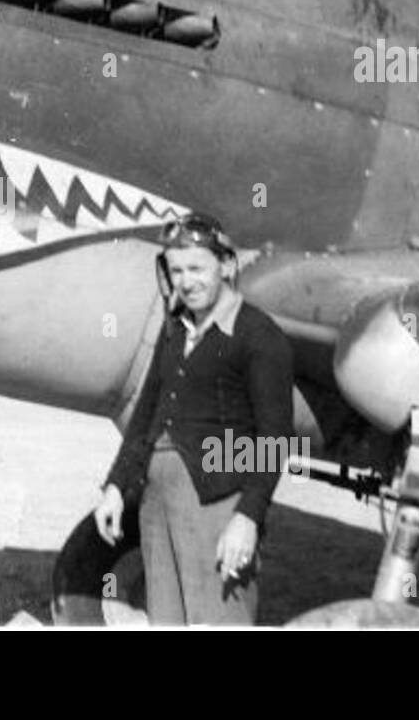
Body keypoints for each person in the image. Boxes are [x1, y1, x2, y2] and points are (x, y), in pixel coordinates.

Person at [93, 213, 294, 625]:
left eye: (197, 268)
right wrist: (116, 485)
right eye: (177, 270)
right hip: (156, 504)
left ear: (227, 265)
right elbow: (147, 414)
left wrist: (248, 518)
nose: (187, 281)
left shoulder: (258, 334)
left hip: (218, 503)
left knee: (219, 621)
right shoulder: (174, 330)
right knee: (165, 620)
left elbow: (275, 438)